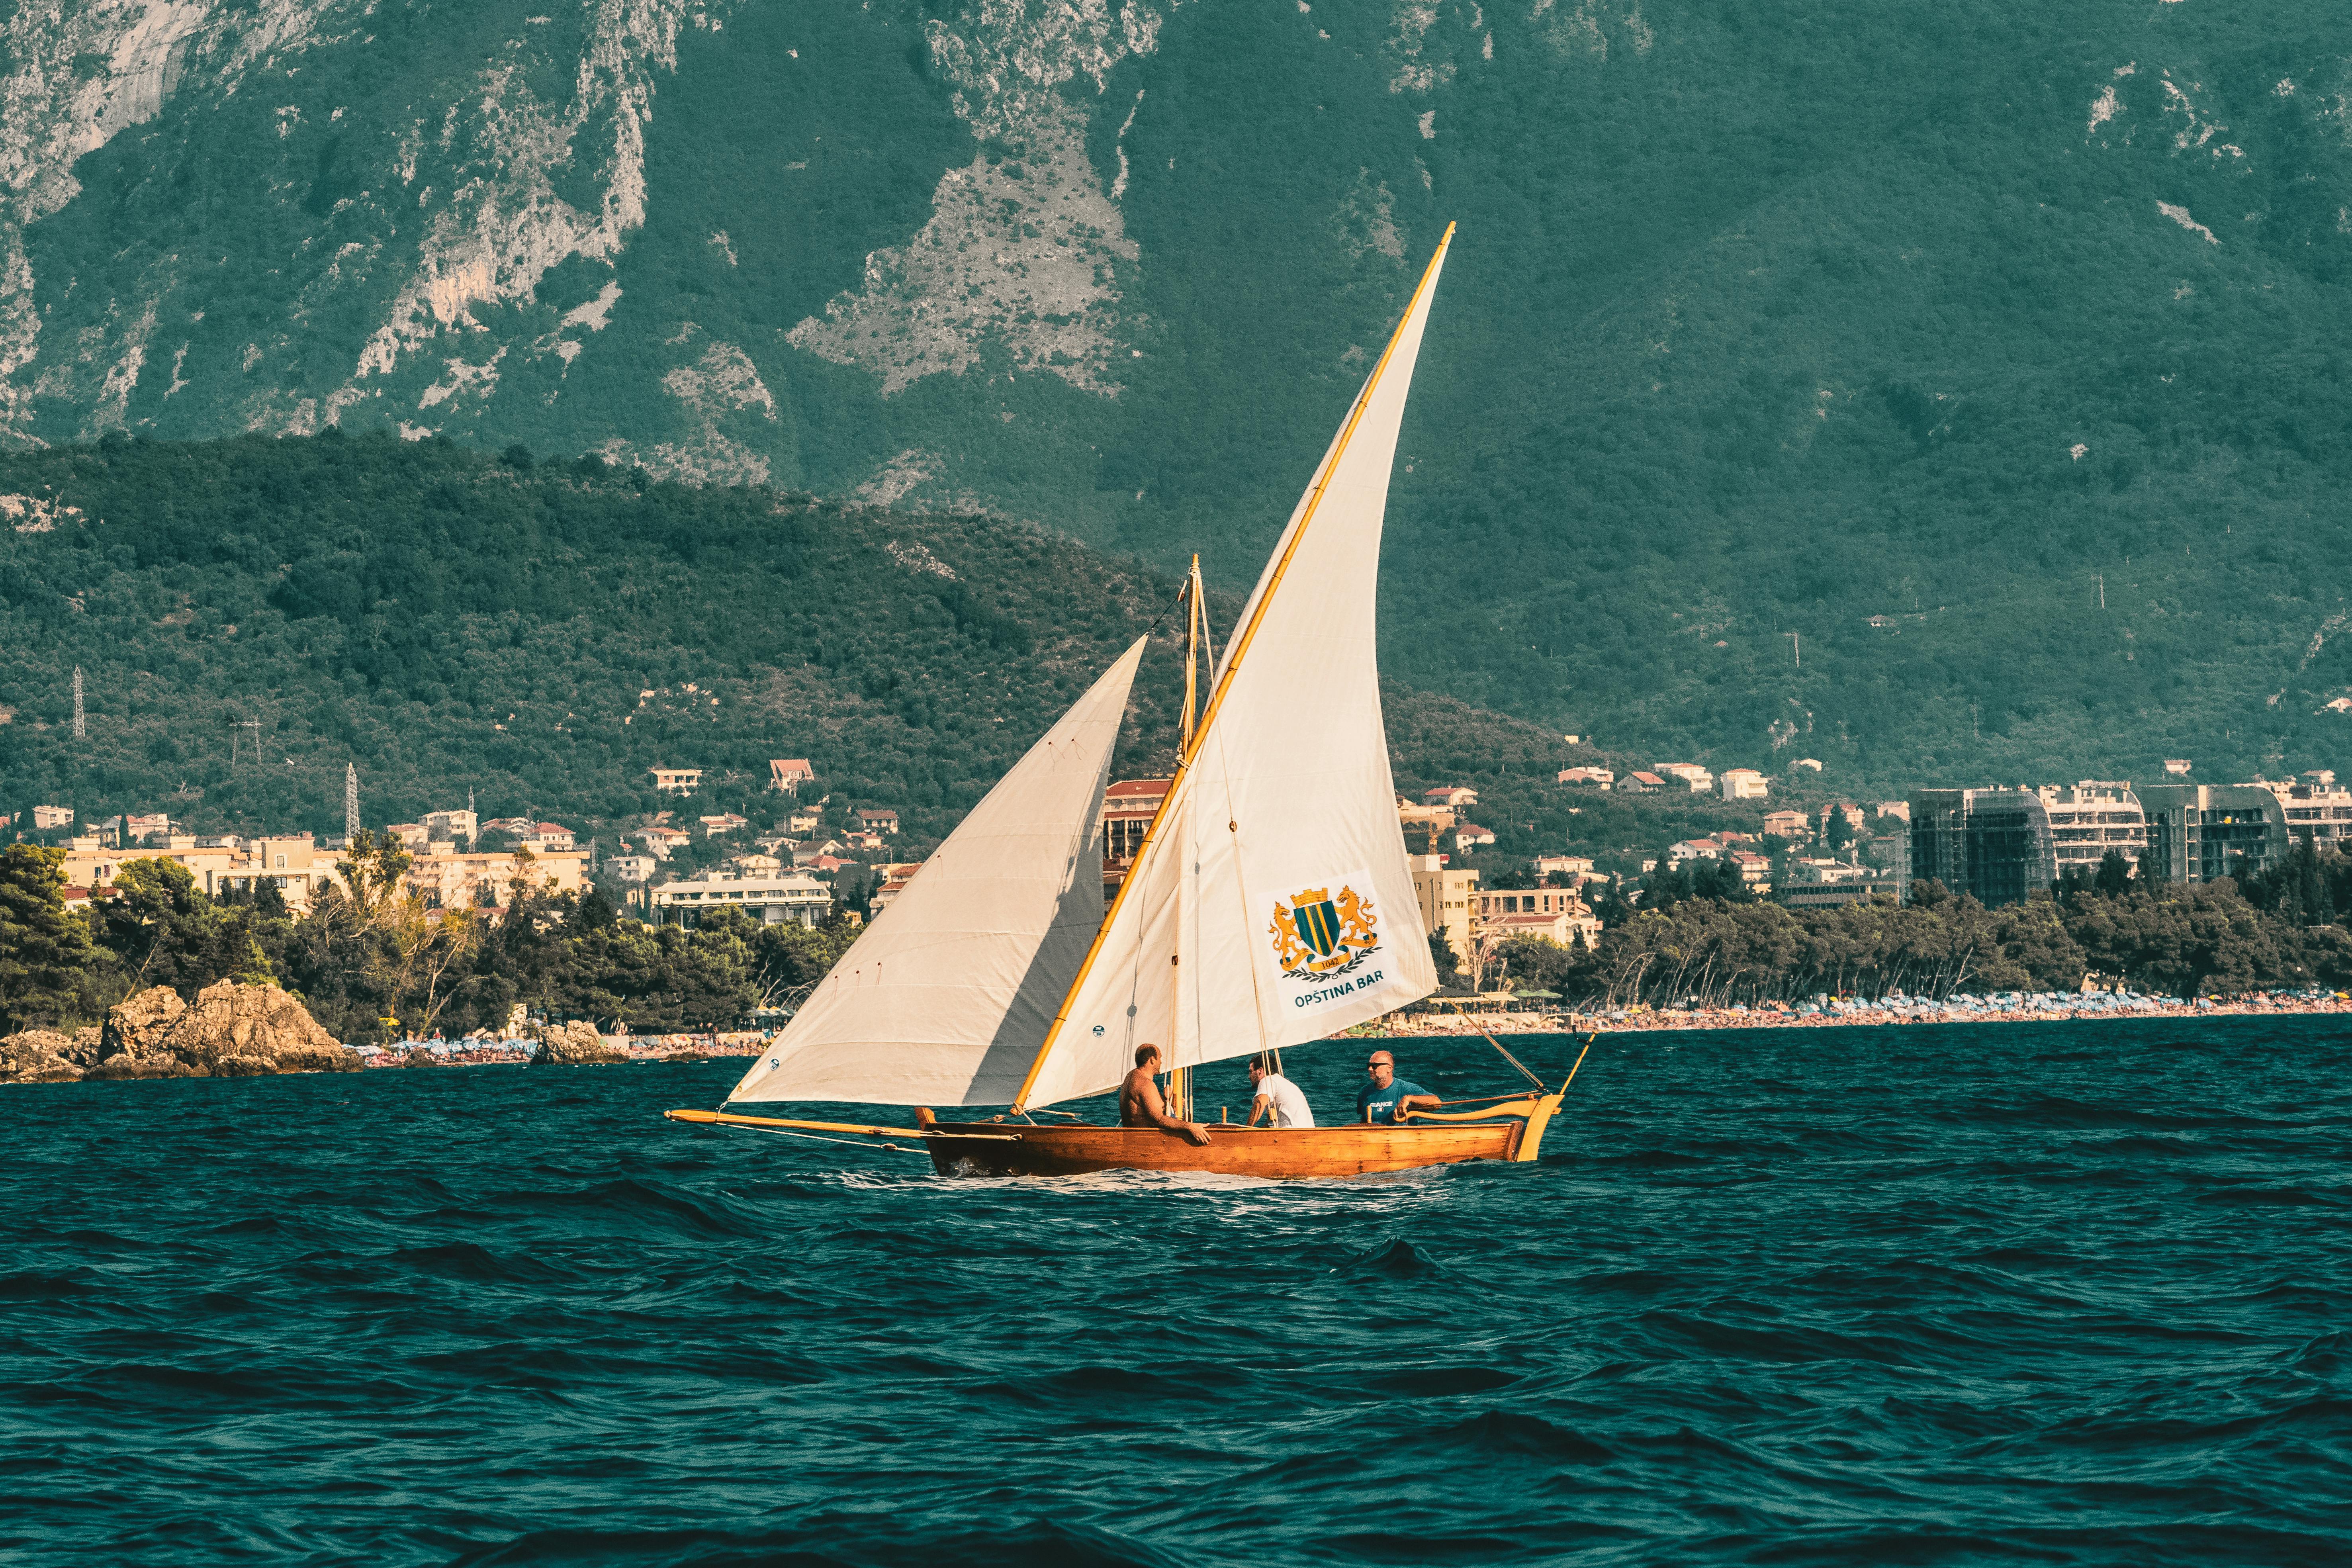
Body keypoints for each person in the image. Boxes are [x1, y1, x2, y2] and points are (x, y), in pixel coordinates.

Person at [1119, 1044, 1212, 1145]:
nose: (1161, 1062)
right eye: (1160, 1058)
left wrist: (1166, 1101)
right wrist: (1191, 1127)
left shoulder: (1131, 1077)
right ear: (1152, 1060)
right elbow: (1158, 1119)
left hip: (1133, 1139)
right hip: (1146, 1142)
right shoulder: (1145, 1084)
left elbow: (1146, 1107)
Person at [1358, 1049, 1440, 1125]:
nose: (1370, 1069)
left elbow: (1437, 1103)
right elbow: (1363, 1122)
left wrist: (1409, 1099)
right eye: (1369, 1065)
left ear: (1389, 1069)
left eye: (1375, 1066)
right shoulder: (1364, 1092)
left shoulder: (1407, 1088)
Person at [1243, 1054, 1315, 1128]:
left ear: (1260, 1071)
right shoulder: (1284, 1083)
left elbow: (1259, 1103)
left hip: (1292, 1131)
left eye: (1251, 1072)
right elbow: (1271, 1124)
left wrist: (1246, 1130)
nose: (1249, 1076)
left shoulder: (1267, 1080)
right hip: (1308, 1131)